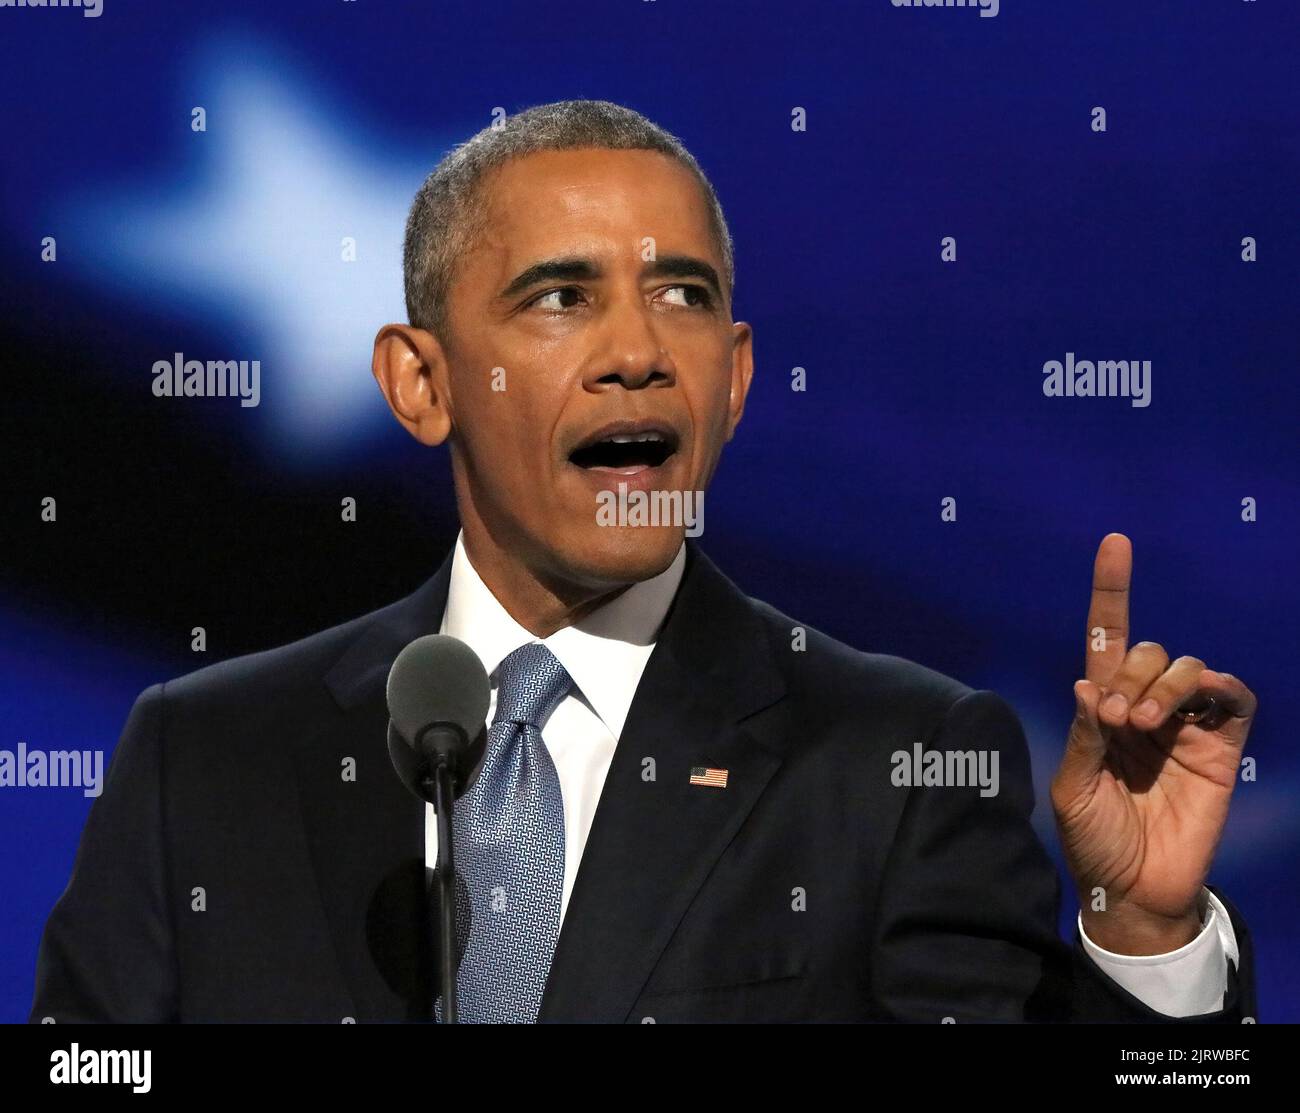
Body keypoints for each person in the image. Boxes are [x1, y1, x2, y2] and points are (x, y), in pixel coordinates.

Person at [30, 100, 1257, 1023]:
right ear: (422, 381)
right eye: (560, 298)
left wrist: (1147, 937)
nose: (635, 352)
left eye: (681, 296)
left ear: (732, 380)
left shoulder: (900, 764)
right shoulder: (199, 757)